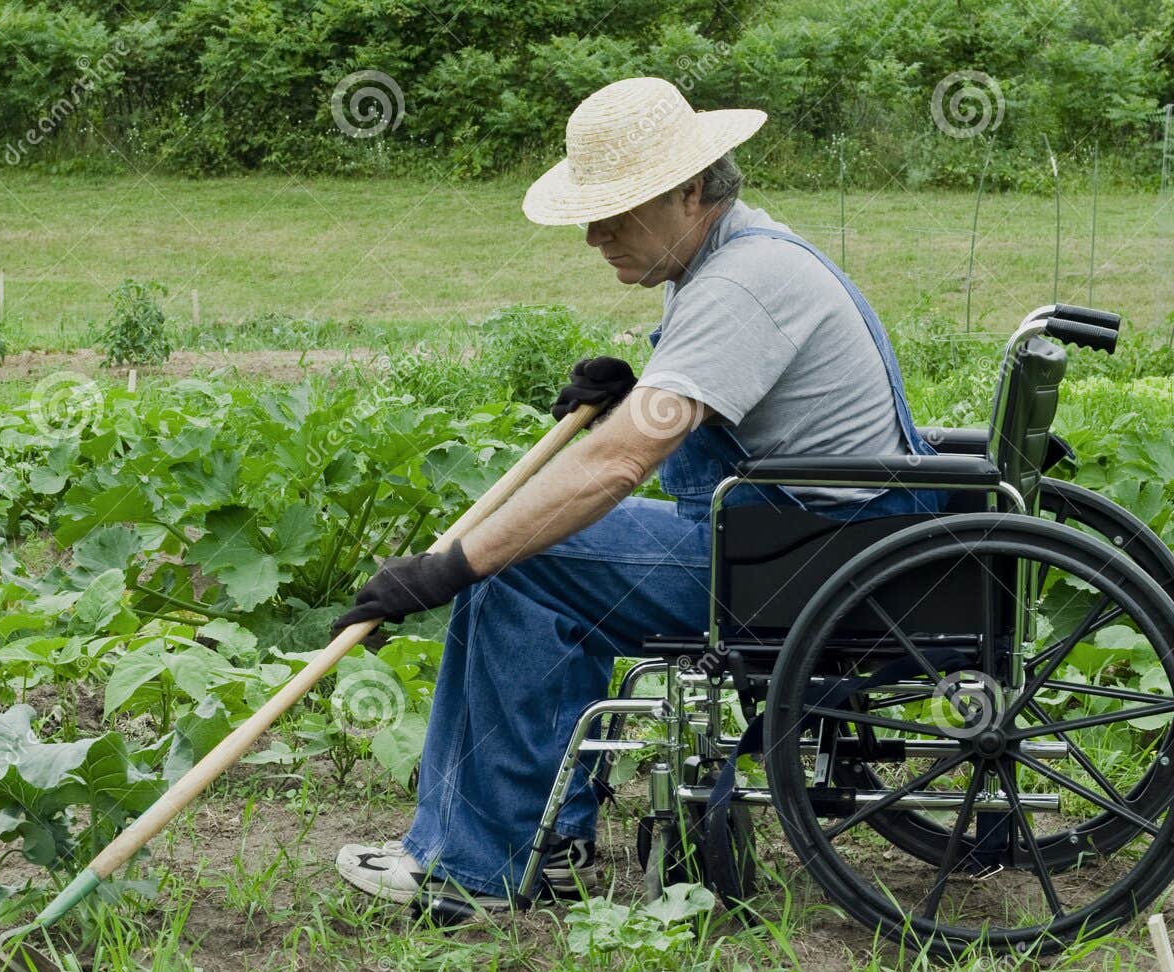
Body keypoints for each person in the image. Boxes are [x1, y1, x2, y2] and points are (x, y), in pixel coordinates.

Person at [333, 76, 933, 917]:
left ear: (690, 191)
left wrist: (451, 565)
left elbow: (620, 464)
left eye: (615, 212)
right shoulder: (739, 253)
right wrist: (635, 391)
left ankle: (480, 867)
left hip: (807, 565)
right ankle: (552, 838)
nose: (592, 235)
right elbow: (683, 406)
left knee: (518, 566)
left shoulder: (738, 286)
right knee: (527, 558)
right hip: (793, 541)